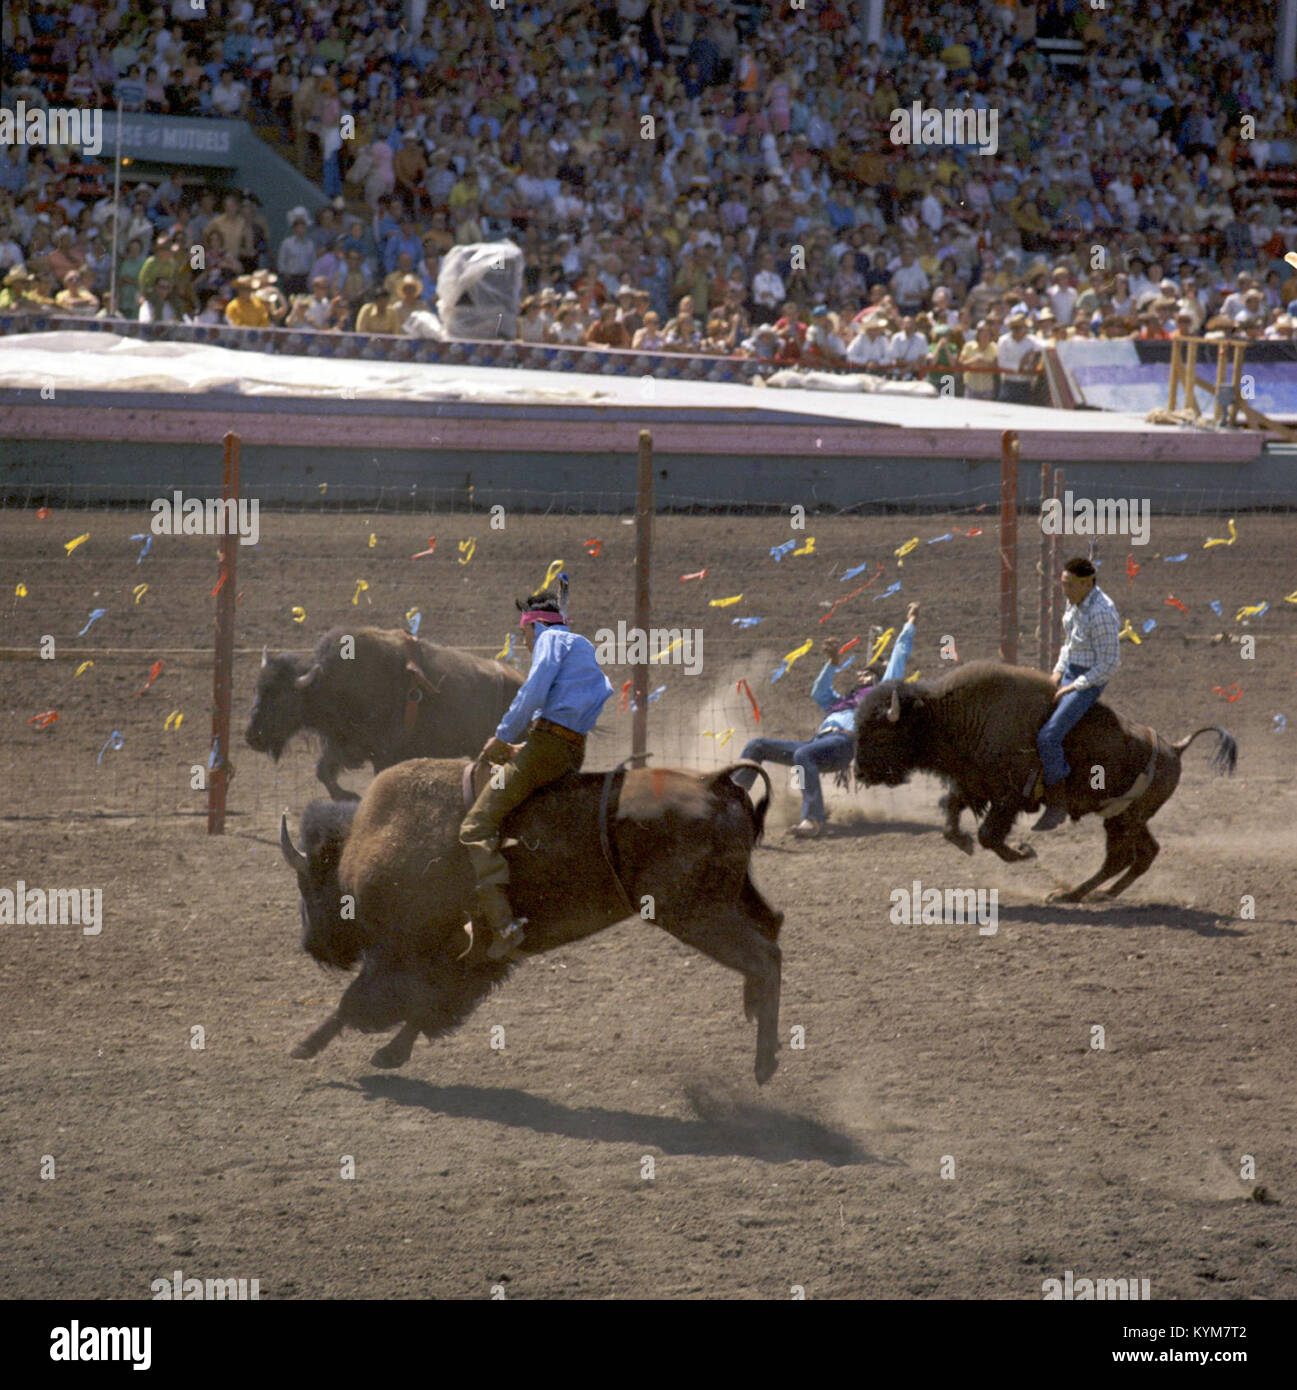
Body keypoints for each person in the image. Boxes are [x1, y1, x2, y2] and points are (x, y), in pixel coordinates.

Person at [459, 584, 614, 959]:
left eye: (523, 632)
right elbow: (570, 715)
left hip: (548, 746)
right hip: (569, 749)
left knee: (475, 826)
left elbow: (534, 691)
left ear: (536, 625)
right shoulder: (581, 648)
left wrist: (501, 738)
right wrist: (524, 749)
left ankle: (502, 924)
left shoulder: (550, 642)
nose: (524, 641)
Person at [734, 603, 920, 837]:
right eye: (861, 672)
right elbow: (818, 692)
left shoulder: (879, 695)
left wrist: (910, 620)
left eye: (868, 673)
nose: (861, 675)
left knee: (803, 756)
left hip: (843, 745)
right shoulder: (840, 702)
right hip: (818, 745)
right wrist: (832, 663)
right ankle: (729, 802)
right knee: (756, 746)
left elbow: (900, 652)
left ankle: (812, 820)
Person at [1033, 558, 1121, 831]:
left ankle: (1058, 803)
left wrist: (1073, 686)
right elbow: (1069, 645)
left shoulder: (1102, 613)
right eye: (1062, 584)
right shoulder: (1076, 602)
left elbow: (1109, 664)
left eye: (1068, 585)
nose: (1064, 590)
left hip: (1090, 680)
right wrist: (1057, 674)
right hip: (1070, 671)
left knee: (1048, 736)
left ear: (1087, 583)